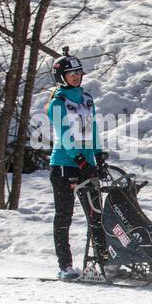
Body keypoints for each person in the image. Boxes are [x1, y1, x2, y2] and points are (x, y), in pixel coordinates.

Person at [47, 49, 108, 280]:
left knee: (97, 216)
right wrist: (81, 160)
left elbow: (92, 129)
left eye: (78, 72)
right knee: (64, 217)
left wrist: (98, 155)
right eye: (70, 73)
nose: (75, 76)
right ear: (61, 76)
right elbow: (64, 135)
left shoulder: (86, 99)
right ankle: (65, 266)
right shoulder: (58, 102)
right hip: (65, 165)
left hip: (87, 165)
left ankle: (104, 262)